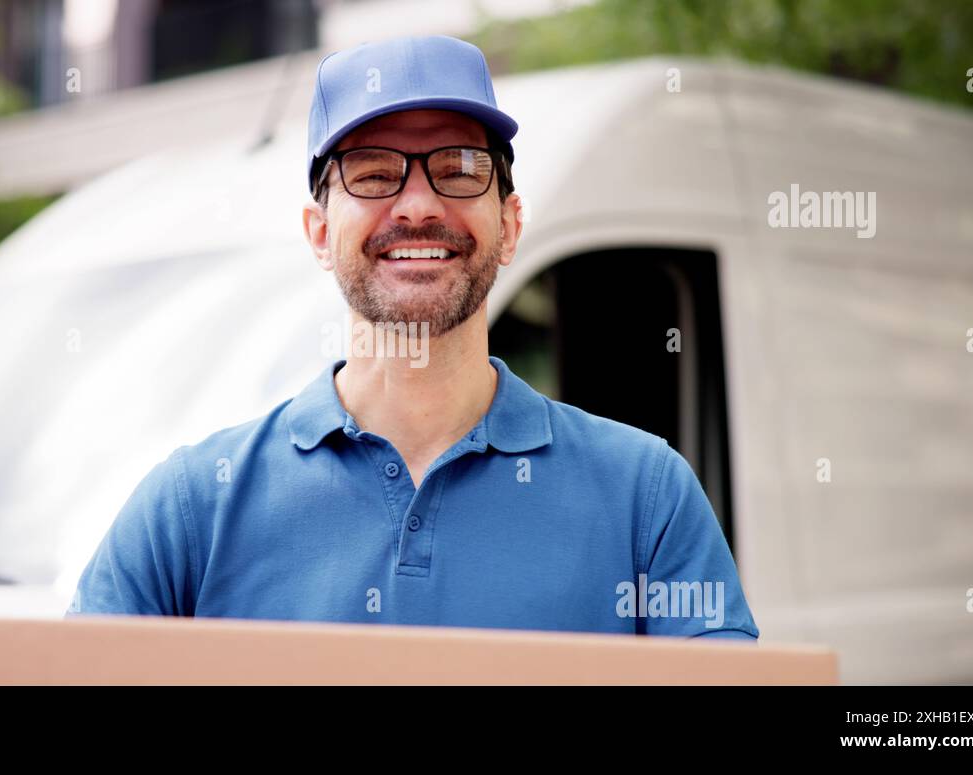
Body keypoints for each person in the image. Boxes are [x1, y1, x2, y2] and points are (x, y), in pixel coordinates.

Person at [70, 35, 759, 640]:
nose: (420, 204)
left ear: (512, 225)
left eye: (459, 169)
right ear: (318, 231)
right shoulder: (191, 506)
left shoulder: (647, 496)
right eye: (373, 174)